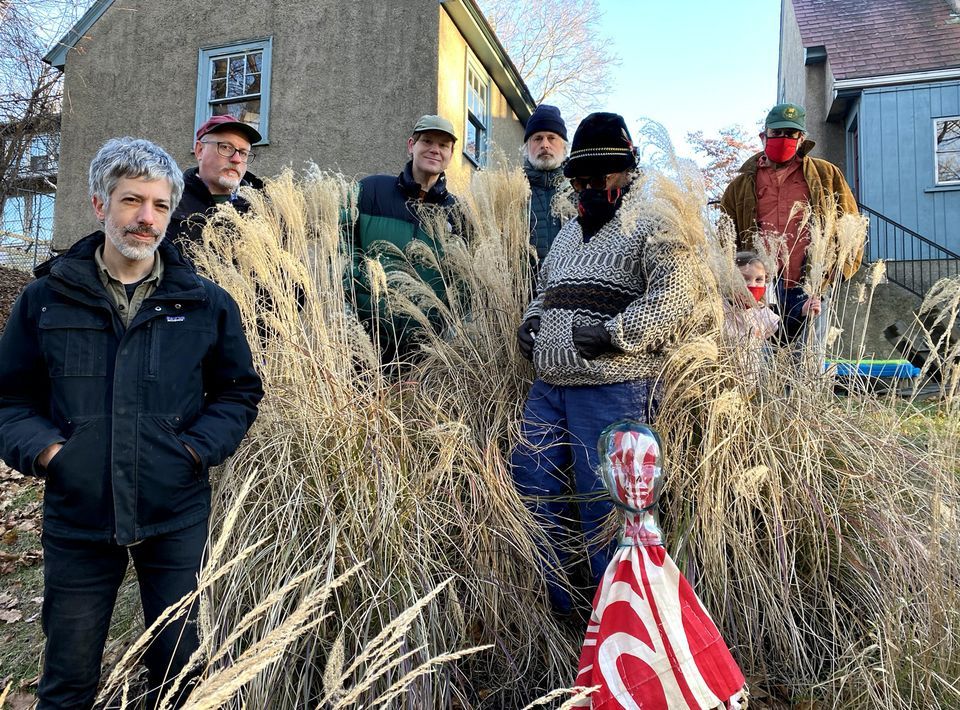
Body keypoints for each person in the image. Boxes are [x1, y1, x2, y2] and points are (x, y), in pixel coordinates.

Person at [0, 137, 263, 709]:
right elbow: (10, 399)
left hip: (175, 513)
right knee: (68, 678)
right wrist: (51, 454)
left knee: (181, 672)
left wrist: (193, 451)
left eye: (161, 205)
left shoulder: (206, 302)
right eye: (131, 201)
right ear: (100, 205)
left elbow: (239, 392)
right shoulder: (46, 298)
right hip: (79, 515)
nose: (147, 219)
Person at [510, 112, 700, 614]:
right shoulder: (570, 233)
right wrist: (532, 320)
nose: (590, 185)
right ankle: (561, 607)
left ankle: (618, 621)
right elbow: (545, 290)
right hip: (549, 386)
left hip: (614, 385)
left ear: (628, 171)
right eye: (582, 177)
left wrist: (616, 335)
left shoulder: (654, 223)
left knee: (610, 506)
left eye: (603, 175)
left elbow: (675, 294)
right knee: (531, 483)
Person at [719, 102, 861, 349]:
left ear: (801, 138)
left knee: (807, 361)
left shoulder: (826, 175)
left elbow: (851, 224)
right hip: (760, 289)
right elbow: (724, 237)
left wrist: (835, 275)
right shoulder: (740, 185)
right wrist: (735, 282)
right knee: (761, 360)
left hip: (811, 285)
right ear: (764, 136)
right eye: (777, 133)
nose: (783, 138)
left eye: (791, 133)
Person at [348, 114, 464, 363]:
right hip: (364, 339)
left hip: (425, 351)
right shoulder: (371, 190)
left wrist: (443, 338)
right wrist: (357, 296)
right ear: (412, 145)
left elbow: (464, 283)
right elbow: (342, 245)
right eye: (427, 141)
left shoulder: (457, 213)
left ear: (451, 155)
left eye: (443, 145)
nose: (435, 150)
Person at [166, 114, 264, 249]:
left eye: (243, 153)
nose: (237, 159)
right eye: (225, 147)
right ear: (199, 150)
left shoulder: (262, 209)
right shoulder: (167, 203)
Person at [523, 104, 568, 264]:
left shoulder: (578, 191)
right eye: (537, 138)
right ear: (527, 147)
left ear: (564, 146)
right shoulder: (513, 192)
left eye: (551, 137)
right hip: (524, 287)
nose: (545, 144)